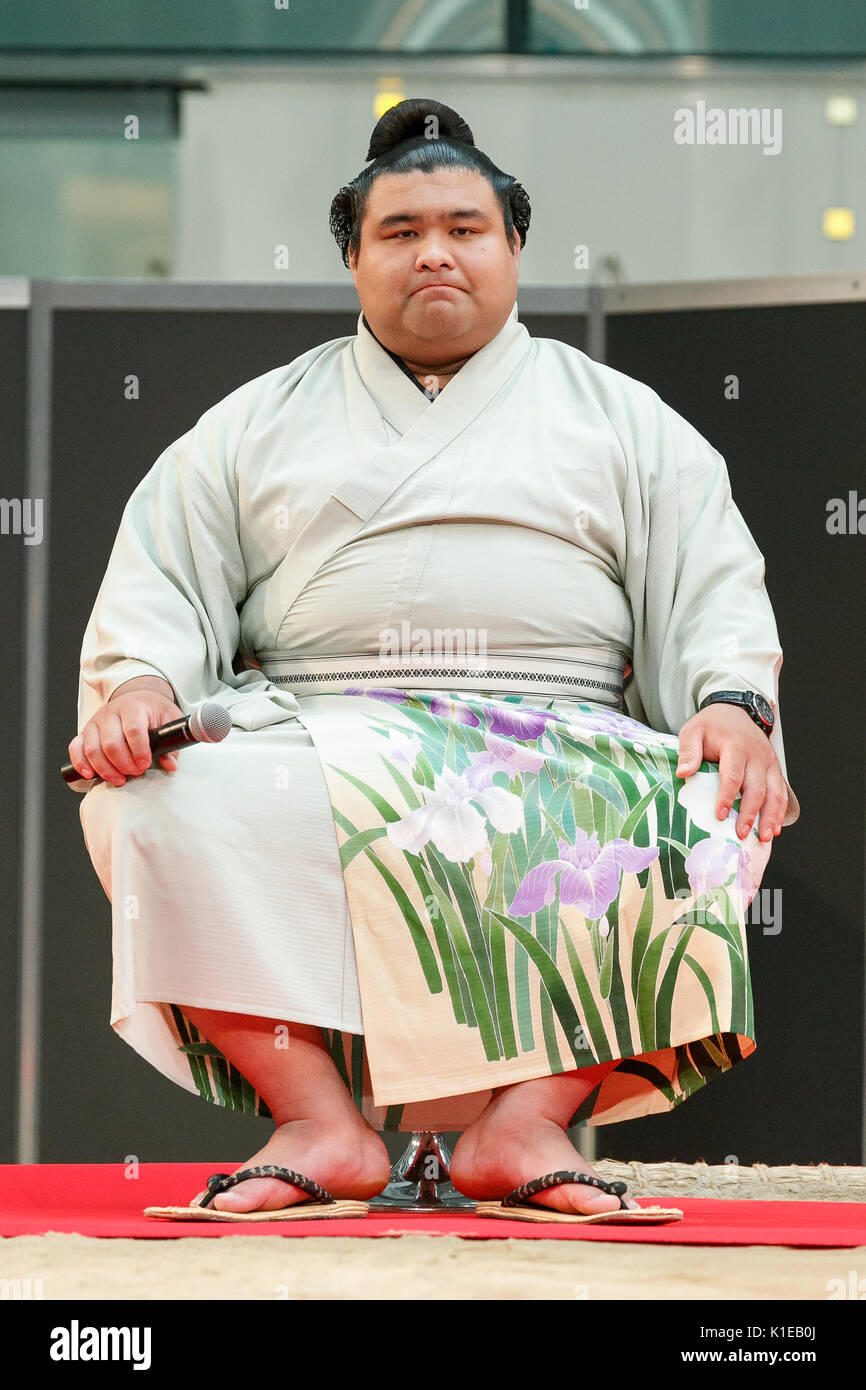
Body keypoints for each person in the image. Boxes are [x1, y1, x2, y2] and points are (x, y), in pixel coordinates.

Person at [70, 98, 800, 1220]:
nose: (434, 252)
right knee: (157, 801)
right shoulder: (250, 425)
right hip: (313, 738)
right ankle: (318, 1121)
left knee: (713, 801)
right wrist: (141, 688)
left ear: (512, 246)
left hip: (562, 738)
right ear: (352, 258)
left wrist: (732, 704)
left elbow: (712, 588)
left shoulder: (625, 421)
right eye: (400, 231)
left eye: (463, 227)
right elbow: (160, 589)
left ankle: (524, 1123)